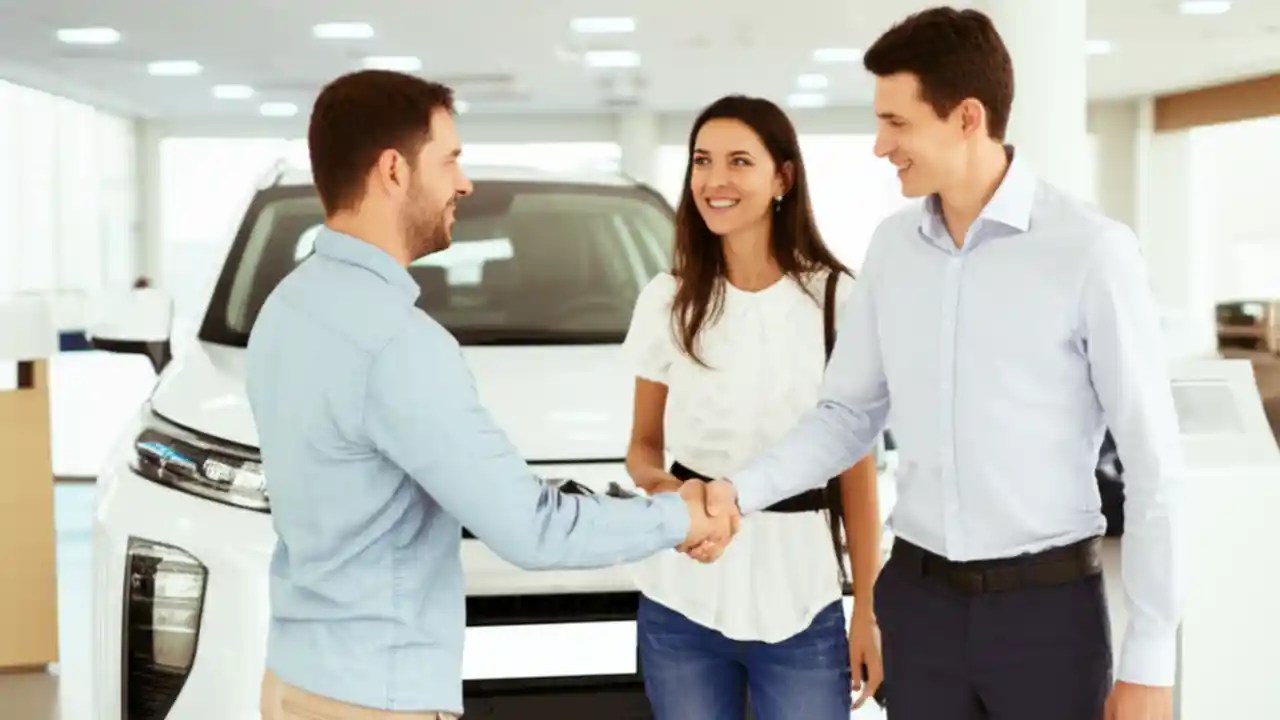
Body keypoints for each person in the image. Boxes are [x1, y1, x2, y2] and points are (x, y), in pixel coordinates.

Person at [699, 8, 1184, 720]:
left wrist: (1151, 659)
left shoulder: (1089, 251)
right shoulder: (894, 250)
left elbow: (1153, 460)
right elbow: (846, 416)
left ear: (965, 117)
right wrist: (736, 492)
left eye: (897, 123)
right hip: (920, 607)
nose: (879, 146)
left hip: (1045, 615)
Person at [245, 69, 730, 720]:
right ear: (394, 170)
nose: (463, 182)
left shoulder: (287, 306)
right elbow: (532, 530)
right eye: (449, 160)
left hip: (295, 679)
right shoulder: (397, 343)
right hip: (376, 699)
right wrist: (684, 518)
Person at [622, 95, 884, 719]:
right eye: (702, 161)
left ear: (782, 179)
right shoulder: (667, 299)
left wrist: (868, 609)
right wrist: (670, 493)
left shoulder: (835, 300)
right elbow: (641, 448)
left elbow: (856, 470)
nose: (715, 180)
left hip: (802, 597)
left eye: (739, 161)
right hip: (681, 598)